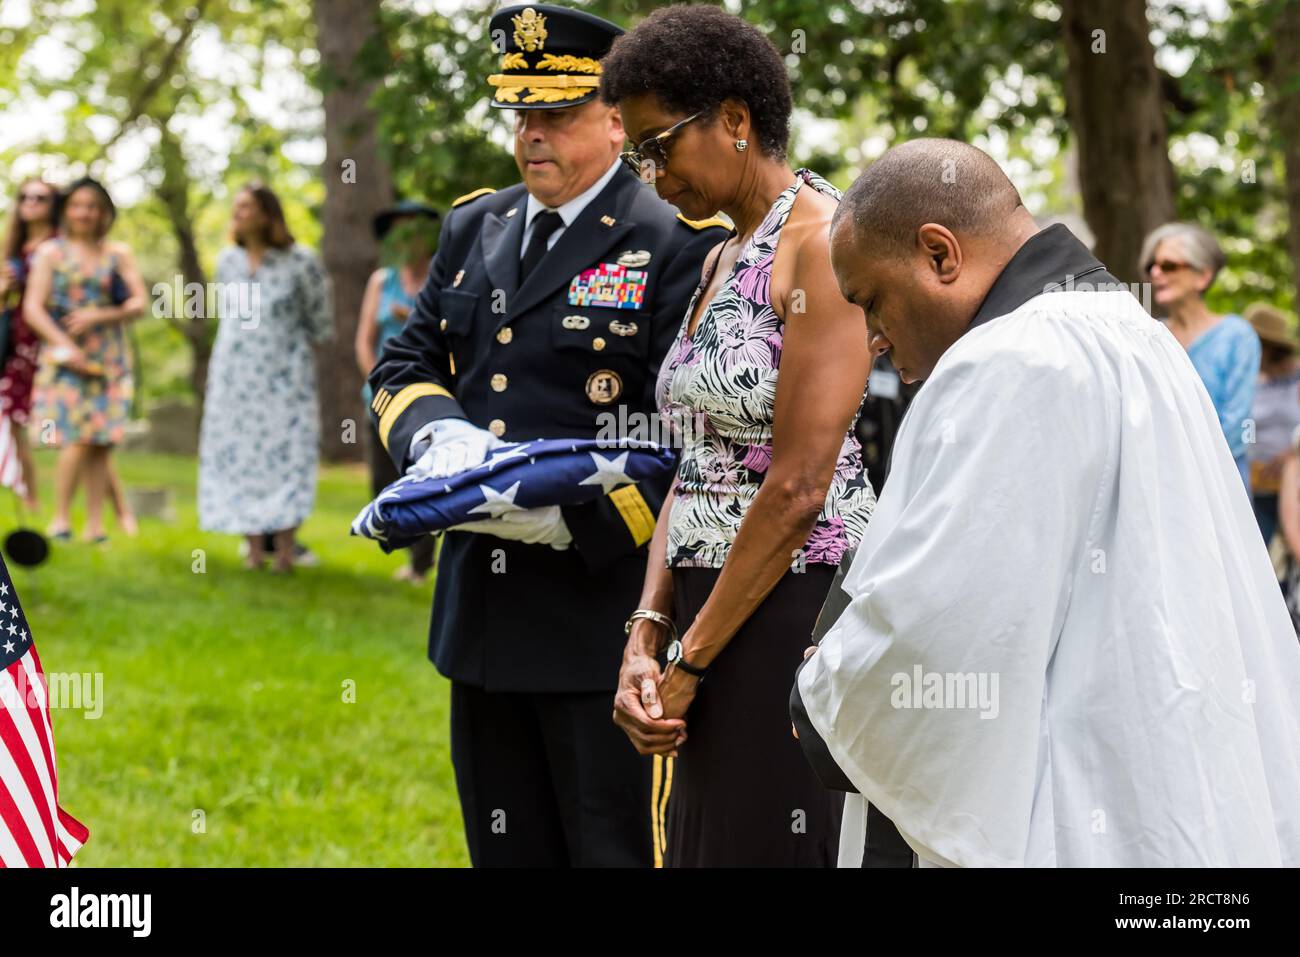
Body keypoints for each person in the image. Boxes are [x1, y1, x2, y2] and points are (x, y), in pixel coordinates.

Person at [791, 138, 1300, 867]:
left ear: (940, 255)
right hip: (1171, 781)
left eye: (871, 299)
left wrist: (823, 692)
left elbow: (939, 635)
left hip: (1072, 811)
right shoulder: (1139, 333)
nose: (871, 337)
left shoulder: (1006, 362)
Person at [366, 3, 728, 867]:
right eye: (520, 115)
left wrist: (577, 517)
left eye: (556, 114)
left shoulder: (674, 239)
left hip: (599, 614)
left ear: (614, 117)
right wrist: (440, 444)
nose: (532, 136)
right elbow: (402, 364)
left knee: (610, 850)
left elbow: (690, 431)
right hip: (482, 621)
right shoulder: (474, 225)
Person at [602, 4, 876, 867]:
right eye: (636, 155)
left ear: (734, 119)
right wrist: (647, 628)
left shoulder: (819, 242)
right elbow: (698, 457)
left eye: (659, 145)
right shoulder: (723, 253)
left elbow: (797, 484)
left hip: (792, 604)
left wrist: (692, 656)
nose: (649, 175)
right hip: (707, 605)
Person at [197, 183, 332, 572]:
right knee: (241, 456)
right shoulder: (228, 261)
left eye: (247, 206)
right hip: (234, 377)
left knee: (287, 454)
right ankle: (254, 552)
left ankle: (286, 552)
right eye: (235, 206)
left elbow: (319, 321)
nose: (238, 213)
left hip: (285, 375)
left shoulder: (300, 261)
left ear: (267, 213)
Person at [22, 178, 144, 543]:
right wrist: (65, 347)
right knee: (75, 437)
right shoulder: (51, 254)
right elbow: (32, 309)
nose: (84, 212)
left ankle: (95, 526)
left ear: (104, 211)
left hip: (109, 356)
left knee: (101, 440)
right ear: (66, 209)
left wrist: (99, 316)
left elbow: (138, 303)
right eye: (77, 205)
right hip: (64, 358)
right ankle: (60, 520)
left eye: (92, 206)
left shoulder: (117, 254)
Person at [356, 201, 441, 583]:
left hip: (428, 397)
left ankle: (422, 561)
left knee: (423, 477)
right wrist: (378, 382)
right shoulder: (381, 280)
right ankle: (406, 549)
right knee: (382, 479)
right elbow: (364, 341)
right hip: (381, 395)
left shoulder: (442, 277)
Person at [1141, 222, 1259, 490]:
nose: (1156, 272)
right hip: (1159, 485)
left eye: (1169, 265)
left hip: (1221, 486)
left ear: (1203, 276)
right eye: (1151, 266)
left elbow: (1238, 428)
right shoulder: (1148, 335)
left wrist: (1178, 471)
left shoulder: (1237, 336)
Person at [0, 178, 58, 508]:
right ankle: (31, 494)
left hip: (51, 338)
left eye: (40, 197)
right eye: (24, 197)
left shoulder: (59, 245)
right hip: (17, 340)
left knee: (50, 417)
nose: (31, 203)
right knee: (13, 415)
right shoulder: (14, 248)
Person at [1246, 302, 1300, 544]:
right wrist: (1248, 454)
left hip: (1295, 479)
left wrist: (1291, 453)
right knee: (1258, 546)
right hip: (1260, 482)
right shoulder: (1250, 379)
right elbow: (1246, 424)